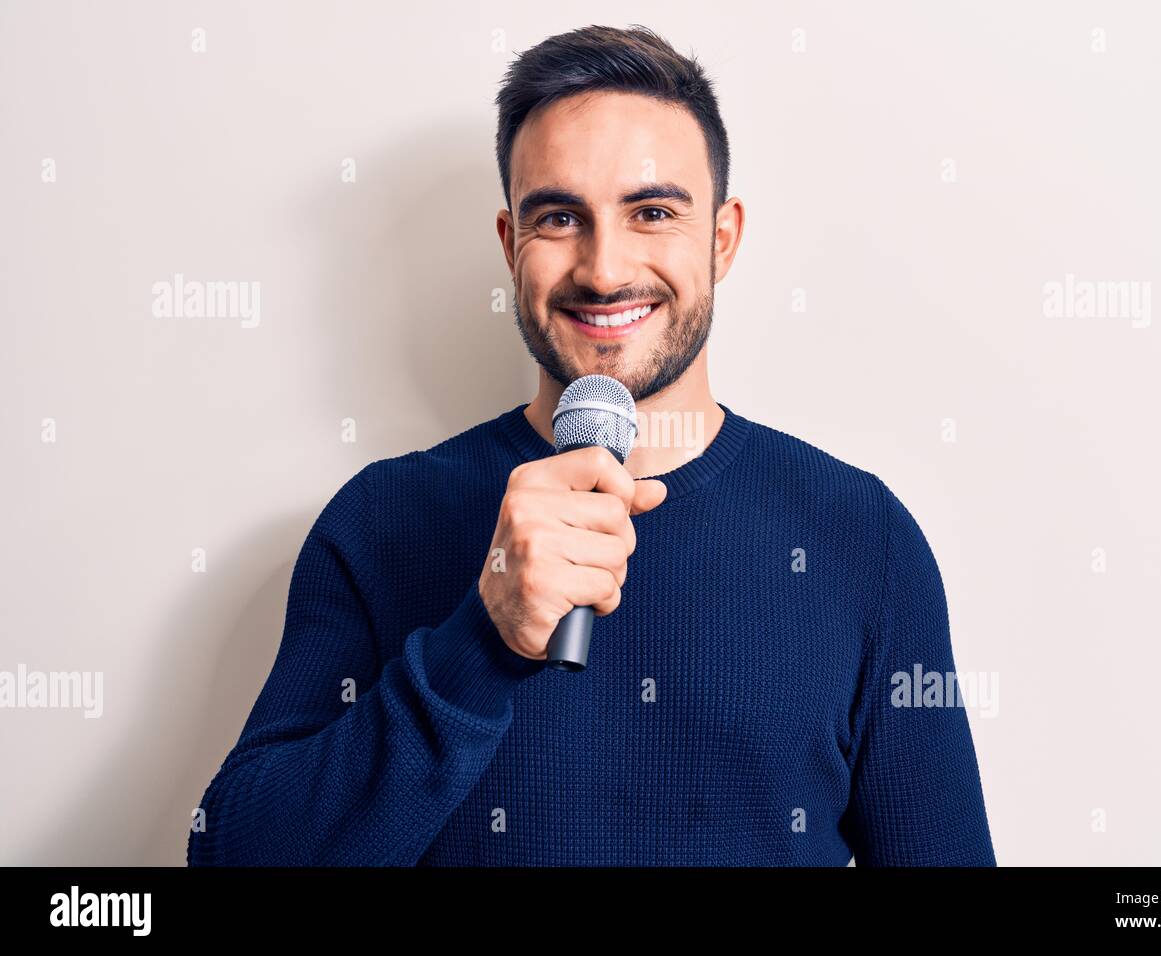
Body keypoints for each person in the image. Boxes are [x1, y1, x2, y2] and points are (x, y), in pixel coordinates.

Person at [188, 23, 995, 866]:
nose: (605, 270)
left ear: (721, 239)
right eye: (559, 218)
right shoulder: (382, 521)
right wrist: (482, 641)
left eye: (652, 212)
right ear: (511, 246)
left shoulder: (860, 535)